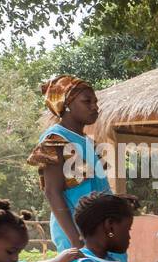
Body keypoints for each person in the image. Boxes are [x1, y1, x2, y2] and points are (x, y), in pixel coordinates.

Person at [27, 76, 111, 251]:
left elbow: (96, 188)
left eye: (95, 101)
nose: (95, 107)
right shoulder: (56, 139)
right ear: (66, 104)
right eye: (87, 101)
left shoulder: (88, 142)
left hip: (98, 232)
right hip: (78, 235)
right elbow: (52, 191)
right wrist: (75, 240)